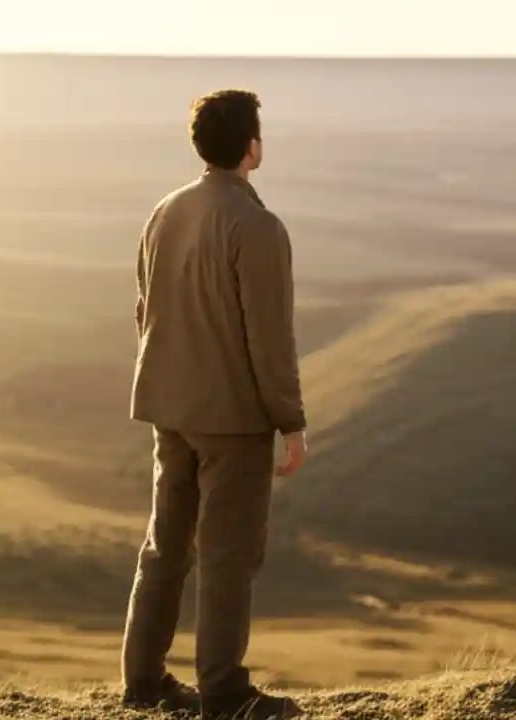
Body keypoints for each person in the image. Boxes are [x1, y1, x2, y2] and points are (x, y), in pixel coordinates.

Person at [121, 89, 307, 720]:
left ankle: (143, 682)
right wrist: (291, 421)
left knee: (165, 547)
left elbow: (145, 311)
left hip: (170, 410)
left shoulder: (164, 211)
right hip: (232, 421)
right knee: (228, 557)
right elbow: (269, 336)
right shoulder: (258, 227)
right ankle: (225, 694)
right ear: (251, 146)